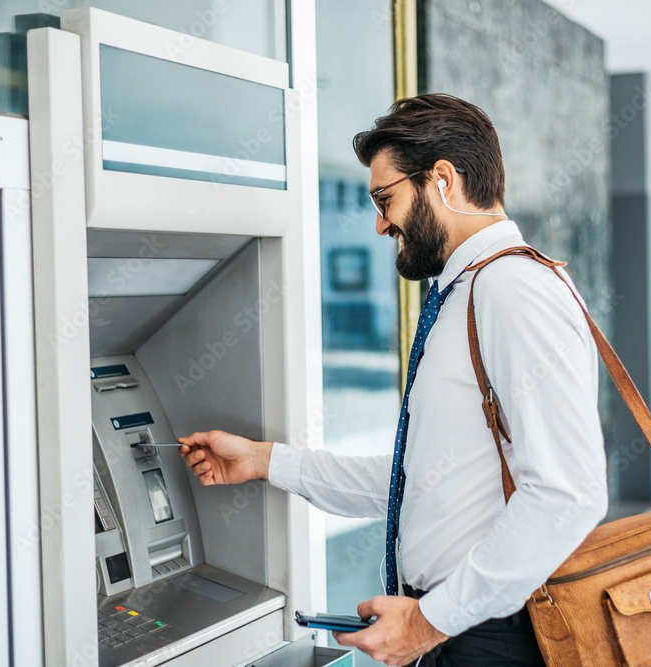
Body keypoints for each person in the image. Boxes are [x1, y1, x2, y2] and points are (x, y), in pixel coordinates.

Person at [178, 94, 607, 667]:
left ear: (443, 180)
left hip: (490, 637)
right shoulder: (467, 293)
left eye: (385, 199)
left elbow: (568, 493)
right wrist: (263, 460)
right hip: (462, 631)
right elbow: (422, 480)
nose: (381, 224)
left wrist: (429, 623)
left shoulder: (513, 289)